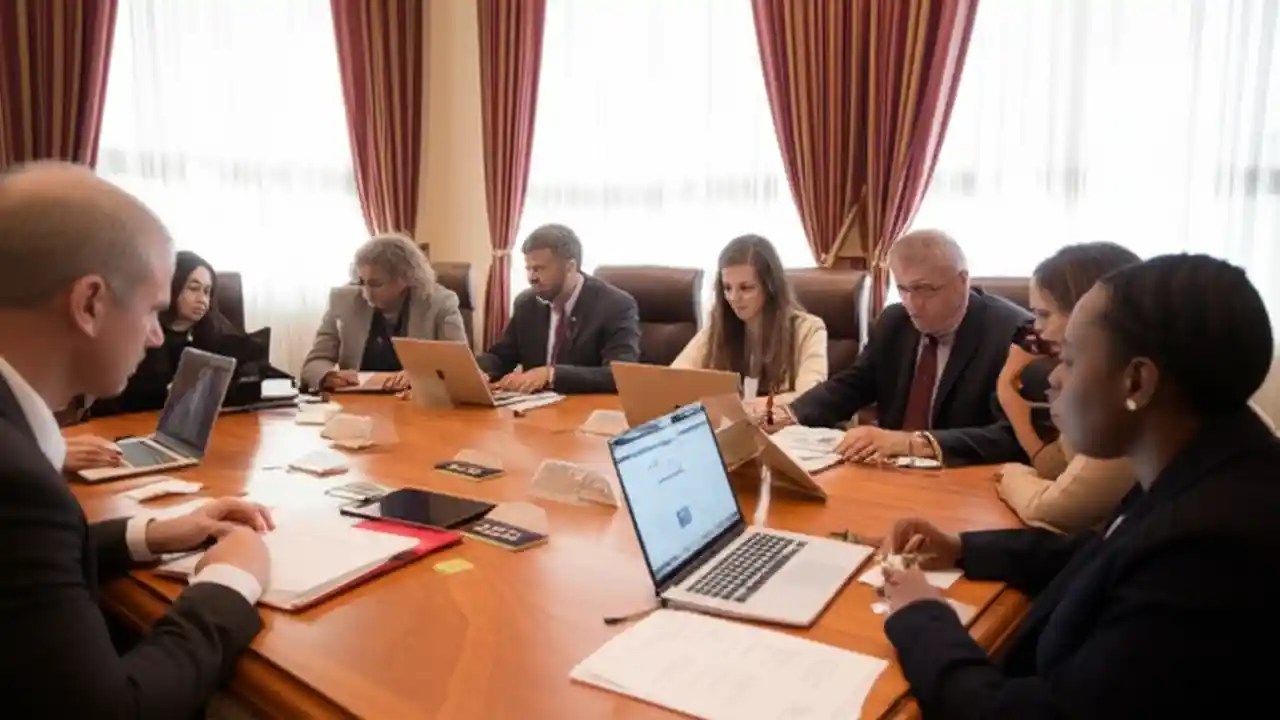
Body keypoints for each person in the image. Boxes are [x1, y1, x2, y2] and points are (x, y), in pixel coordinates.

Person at [877, 254, 1278, 718]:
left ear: (1137, 381)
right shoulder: (1212, 459)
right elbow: (1101, 552)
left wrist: (920, 614)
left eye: (1068, 359)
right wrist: (961, 547)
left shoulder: (1209, 550)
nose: (1053, 378)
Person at [0, 161, 274, 716]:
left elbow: (23, 560)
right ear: (89, 303)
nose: (154, 336)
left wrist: (151, 533)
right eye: (152, 310)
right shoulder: (16, 484)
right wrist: (230, 580)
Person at [769, 230, 1031, 466]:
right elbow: (854, 384)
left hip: (965, 479)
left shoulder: (1013, 334)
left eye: (925, 289)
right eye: (903, 289)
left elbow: (1013, 435)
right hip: (892, 471)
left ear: (962, 281)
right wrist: (791, 414)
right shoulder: (894, 321)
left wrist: (914, 443)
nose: (912, 303)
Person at [995, 242, 1140, 533]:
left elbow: (1055, 511)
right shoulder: (1090, 374)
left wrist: (1013, 475)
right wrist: (1011, 401)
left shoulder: (1128, 388)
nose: (1037, 328)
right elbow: (1059, 470)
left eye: (1044, 314)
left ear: (1086, 310)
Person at [477, 224, 640, 394]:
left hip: (584, 406)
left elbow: (620, 374)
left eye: (539, 269)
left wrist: (551, 374)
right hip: (534, 405)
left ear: (570, 267)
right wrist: (480, 371)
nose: (531, 278)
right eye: (529, 269)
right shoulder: (527, 303)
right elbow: (501, 356)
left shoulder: (615, 305)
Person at [672, 234, 827, 406]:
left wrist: (745, 406)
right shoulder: (717, 328)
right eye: (727, 288)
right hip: (729, 421)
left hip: (780, 422)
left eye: (746, 288)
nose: (734, 298)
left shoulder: (809, 329)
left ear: (770, 287)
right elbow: (674, 379)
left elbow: (810, 396)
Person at [301, 233, 467, 392]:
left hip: (415, 402)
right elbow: (314, 363)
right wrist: (326, 376)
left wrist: (422, 375)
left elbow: (458, 366)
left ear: (405, 278)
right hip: (358, 405)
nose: (366, 293)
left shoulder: (440, 303)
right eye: (362, 282)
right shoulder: (344, 301)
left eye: (376, 284)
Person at [90, 249, 248, 415]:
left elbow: (247, 364)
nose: (202, 300)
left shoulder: (214, 326)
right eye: (193, 288)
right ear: (172, 288)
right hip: (134, 420)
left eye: (207, 291)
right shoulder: (144, 331)